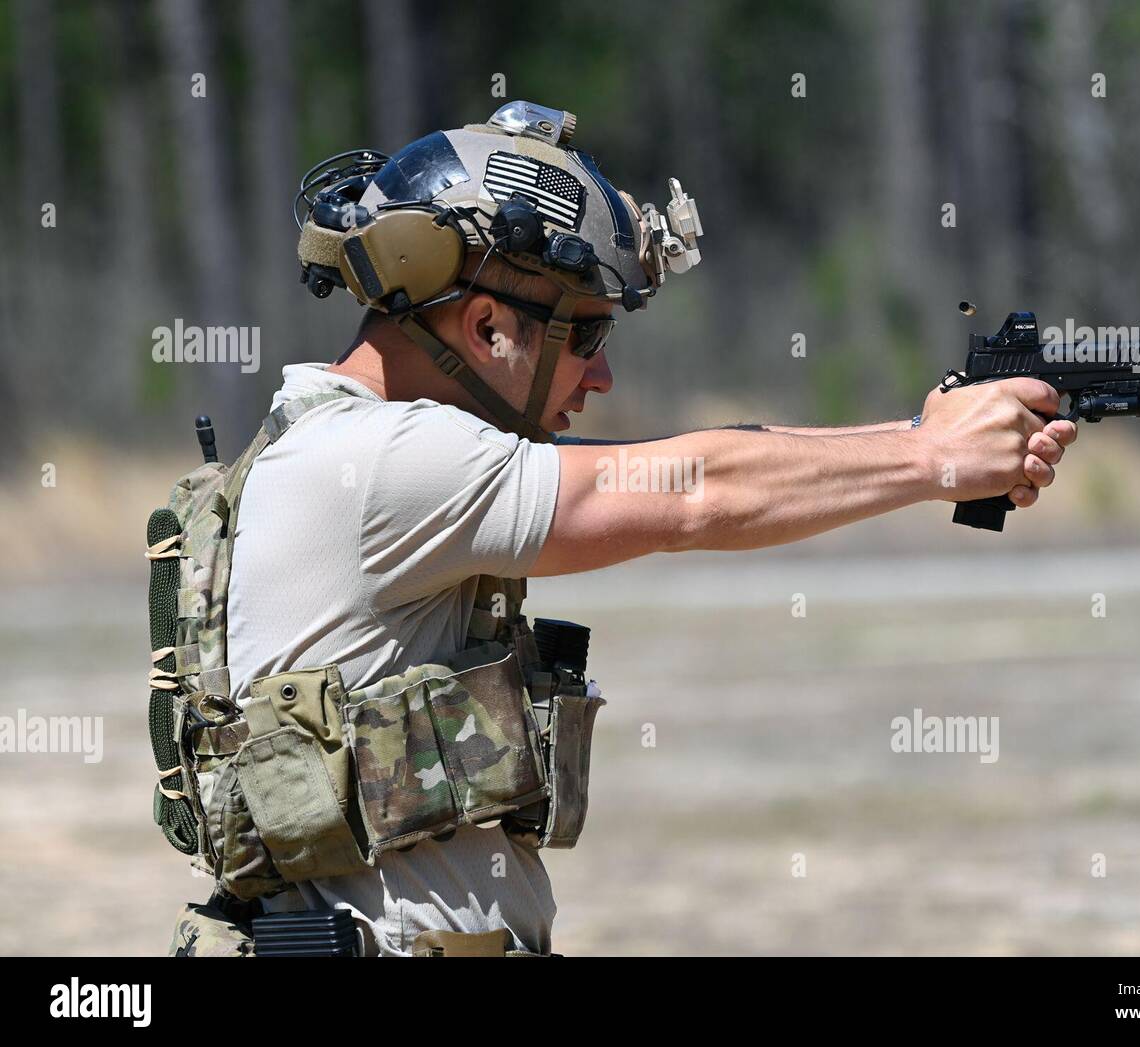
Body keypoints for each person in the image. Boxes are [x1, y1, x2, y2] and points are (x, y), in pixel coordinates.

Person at [164, 101, 1076, 957]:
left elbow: (680, 466)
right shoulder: (389, 462)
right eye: (588, 337)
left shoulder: (336, 444)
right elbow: (691, 493)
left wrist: (927, 438)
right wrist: (929, 460)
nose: (598, 380)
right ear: (486, 325)